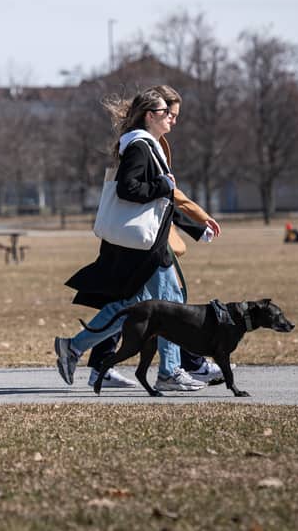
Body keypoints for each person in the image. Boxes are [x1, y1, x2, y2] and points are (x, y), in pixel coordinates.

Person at [55, 86, 215, 392]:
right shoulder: (140, 148)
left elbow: (162, 202)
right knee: (170, 305)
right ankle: (169, 372)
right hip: (147, 246)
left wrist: (196, 227)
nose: (171, 119)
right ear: (149, 116)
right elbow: (129, 189)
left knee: (131, 305)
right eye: (166, 113)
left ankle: (73, 348)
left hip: (149, 243)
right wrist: (161, 185)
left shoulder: (149, 146)